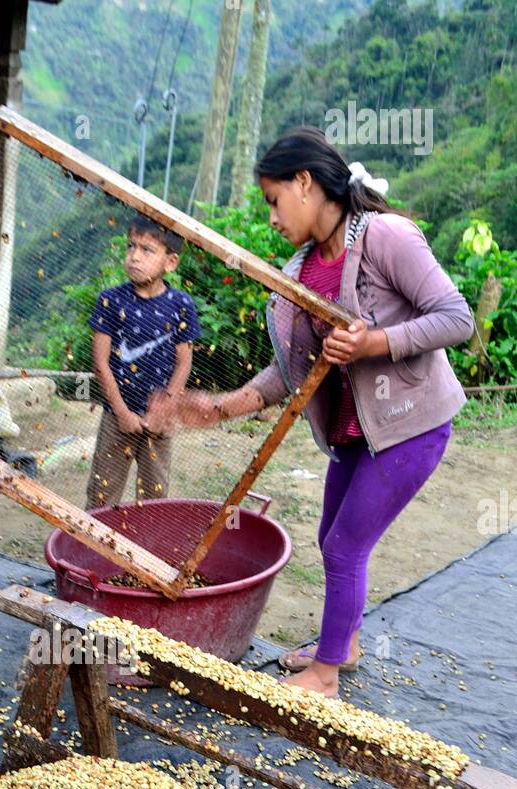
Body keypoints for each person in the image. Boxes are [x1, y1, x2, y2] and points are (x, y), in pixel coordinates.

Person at [149, 128, 474, 698]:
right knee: (331, 536)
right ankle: (342, 646)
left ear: (305, 182)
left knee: (346, 545)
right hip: (355, 434)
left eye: (275, 201)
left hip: (410, 426)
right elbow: (293, 369)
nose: (272, 217)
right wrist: (219, 407)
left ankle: (324, 675)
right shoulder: (301, 272)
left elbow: (456, 318)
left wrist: (374, 343)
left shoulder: (384, 237)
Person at [86, 216, 200, 510]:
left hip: (159, 422)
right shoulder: (111, 301)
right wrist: (123, 412)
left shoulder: (181, 304)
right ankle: (92, 551)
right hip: (116, 416)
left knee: (154, 498)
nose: (134, 256)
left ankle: (146, 553)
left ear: (170, 262)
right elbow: (100, 362)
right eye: (130, 247)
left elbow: (183, 362)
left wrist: (164, 408)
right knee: (102, 494)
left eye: (147, 250)